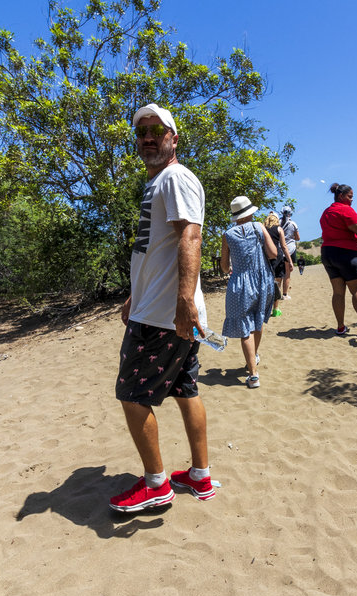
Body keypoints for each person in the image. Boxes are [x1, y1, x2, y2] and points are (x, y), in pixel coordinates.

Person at [110, 103, 215, 513]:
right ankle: (199, 476)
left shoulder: (175, 177)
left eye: (157, 130)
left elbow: (190, 237)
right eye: (142, 133)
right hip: (157, 308)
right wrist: (136, 293)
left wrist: (184, 302)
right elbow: (158, 249)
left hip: (163, 318)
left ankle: (156, 485)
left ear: (174, 138)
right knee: (184, 389)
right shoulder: (159, 182)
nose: (148, 138)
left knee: (132, 394)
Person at [221, 197, 278, 388]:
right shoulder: (258, 227)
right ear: (250, 213)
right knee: (258, 320)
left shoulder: (227, 234)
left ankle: (253, 374)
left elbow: (223, 266)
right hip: (263, 281)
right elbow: (273, 253)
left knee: (245, 327)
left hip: (239, 284)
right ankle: (252, 360)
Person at [319, 183, 357, 337]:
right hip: (346, 253)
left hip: (328, 253)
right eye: (350, 196)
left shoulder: (326, 212)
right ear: (341, 196)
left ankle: (340, 327)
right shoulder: (345, 209)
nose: (352, 200)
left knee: (338, 292)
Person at [264, 211, 294, 317]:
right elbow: (284, 246)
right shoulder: (279, 229)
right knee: (277, 284)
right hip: (278, 258)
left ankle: (265, 309)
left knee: (266, 284)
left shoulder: (262, 229)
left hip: (265, 258)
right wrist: (290, 261)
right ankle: (276, 309)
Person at [280, 205, 301, 283]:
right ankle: (285, 294)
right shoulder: (293, 224)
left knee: (279, 273)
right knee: (287, 273)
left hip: (279, 250)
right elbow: (298, 238)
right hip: (290, 249)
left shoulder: (278, 223)